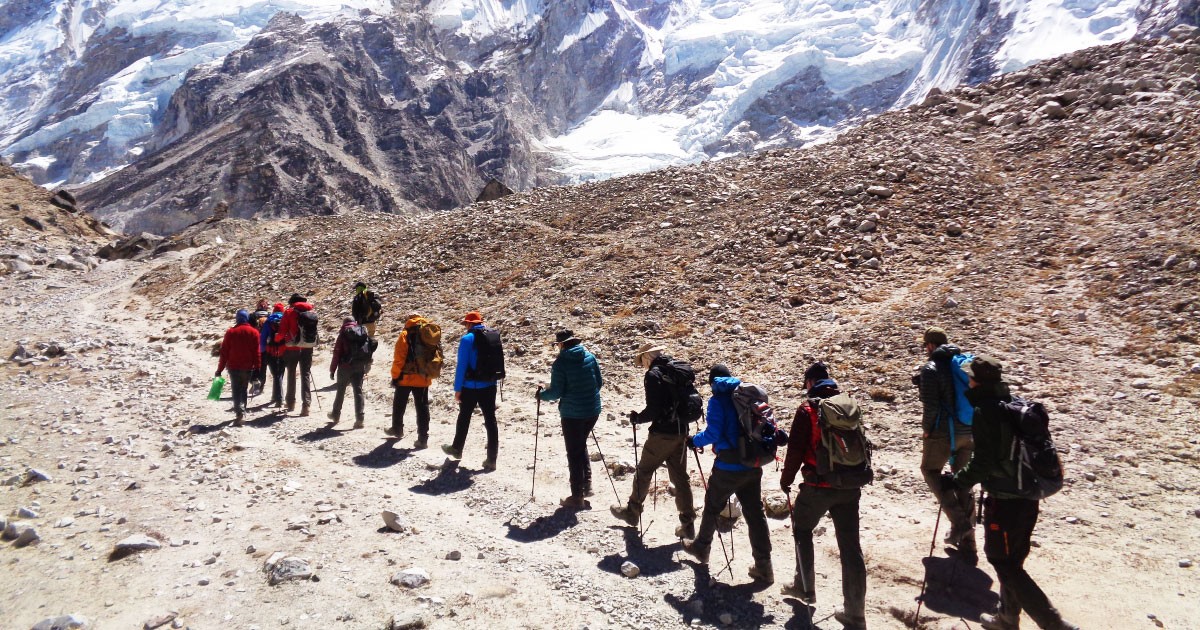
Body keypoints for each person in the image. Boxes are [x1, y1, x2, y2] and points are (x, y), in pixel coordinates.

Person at [950, 356, 1079, 630]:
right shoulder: (1012, 403)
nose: (968, 380)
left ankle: (1053, 623)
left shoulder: (985, 411)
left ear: (976, 380)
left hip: (1006, 499)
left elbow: (982, 462)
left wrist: (958, 480)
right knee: (1013, 560)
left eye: (970, 376)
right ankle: (1007, 618)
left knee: (1001, 561)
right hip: (1028, 494)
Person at [779, 363, 867, 629]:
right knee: (851, 548)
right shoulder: (849, 406)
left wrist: (786, 480)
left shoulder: (808, 410)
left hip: (818, 485)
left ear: (810, 382)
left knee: (802, 530)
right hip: (850, 487)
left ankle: (804, 588)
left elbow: (795, 450)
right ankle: (855, 614)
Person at [681, 364, 773, 583]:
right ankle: (764, 566)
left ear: (713, 382)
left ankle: (701, 548)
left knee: (713, 506)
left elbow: (713, 432)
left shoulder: (717, 401)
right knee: (755, 514)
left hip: (728, 466)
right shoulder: (746, 396)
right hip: (752, 463)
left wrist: (694, 441)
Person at [609, 344, 697, 538]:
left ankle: (632, 512)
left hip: (662, 433)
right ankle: (688, 524)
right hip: (682, 430)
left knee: (644, 470)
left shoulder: (653, 375)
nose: (643, 365)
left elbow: (654, 409)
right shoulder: (676, 369)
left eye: (643, 360)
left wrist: (637, 418)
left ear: (647, 357)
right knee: (680, 478)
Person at [915, 327, 977, 562]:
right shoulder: (964, 365)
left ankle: (961, 524)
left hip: (943, 432)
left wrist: (927, 430)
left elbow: (931, 407)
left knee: (930, 470)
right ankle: (969, 549)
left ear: (930, 345)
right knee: (963, 481)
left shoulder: (931, 368)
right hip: (969, 429)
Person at [537, 330, 603, 509]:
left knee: (574, 452)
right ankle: (587, 485)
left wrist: (541, 395)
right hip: (593, 410)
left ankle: (577, 496)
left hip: (573, 413)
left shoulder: (561, 363)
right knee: (580, 445)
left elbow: (556, 392)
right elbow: (599, 382)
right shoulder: (589, 356)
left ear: (562, 344)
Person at [442, 311, 503, 470]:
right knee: (491, 420)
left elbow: (461, 365)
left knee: (464, 417)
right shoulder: (492, 336)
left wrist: (457, 389)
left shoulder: (467, 339)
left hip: (471, 386)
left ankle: (457, 449)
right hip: (490, 385)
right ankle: (492, 459)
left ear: (469, 324)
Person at [389, 312, 435, 447]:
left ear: (408, 320)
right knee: (422, 407)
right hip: (423, 377)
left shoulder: (404, 335)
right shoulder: (428, 334)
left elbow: (399, 359)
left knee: (399, 404)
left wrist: (395, 376)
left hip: (405, 378)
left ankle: (397, 429)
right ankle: (423, 438)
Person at [215, 309, 260, 426]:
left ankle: (239, 412)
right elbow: (257, 353)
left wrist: (219, 370)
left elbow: (224, 353)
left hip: (234, 367)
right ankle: (242, 410)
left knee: (236, 390)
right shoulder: (254, 332)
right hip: (248, 367)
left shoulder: (230, 332)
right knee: (244, 389)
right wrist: (257, 368)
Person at [275, 293, 315, 416]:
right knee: (305, 375)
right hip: (307, 347)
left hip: (292, 348)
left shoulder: (289, 312)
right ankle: (306, 406)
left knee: (291, 374)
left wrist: (276, 339)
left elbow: (282, 332)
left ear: (292, 302)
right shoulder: (311, 312)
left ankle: (291, 402)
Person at [328, 316, 370, 428]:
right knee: (358, 391)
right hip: (359, 366)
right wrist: (366, 365)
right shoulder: (361, 332)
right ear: (354, 322)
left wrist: (332, 369)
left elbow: (337, 353)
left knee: (341, 390)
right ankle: (360, 418)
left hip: (345, 367)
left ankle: (335, 415)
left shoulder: (343, 334)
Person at [259, 303, 286, 408]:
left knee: (276, 374)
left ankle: (279, 398)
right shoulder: (285, 320)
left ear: (274, 310)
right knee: (280, 374)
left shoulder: (268, 321)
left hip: (271, 351)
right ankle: (276, 396)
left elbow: (263, 338)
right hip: (283, 350)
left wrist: (262, 351)